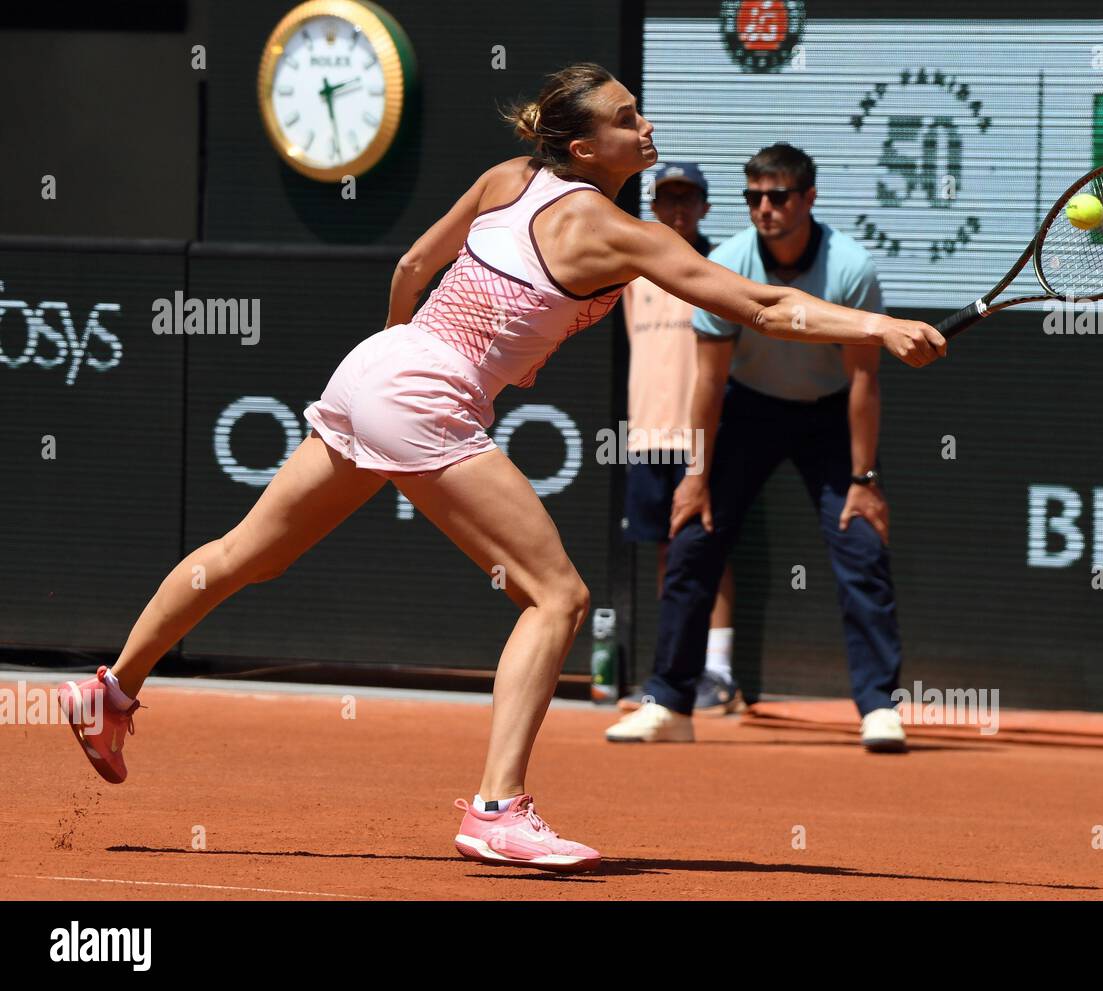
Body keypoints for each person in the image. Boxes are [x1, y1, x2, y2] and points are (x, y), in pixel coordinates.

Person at [56, 65, 946, 875]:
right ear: (585, 147)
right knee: (557, 596)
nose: (647, 128)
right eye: (628, 119)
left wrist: (401, 362)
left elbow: (411, 266)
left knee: (250, 549)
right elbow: (759, 303)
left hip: (375, 365)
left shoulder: (506, 179)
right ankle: (495, 808)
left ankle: (113, 689)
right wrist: (878, 327)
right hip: (422, 392)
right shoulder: (614, 231)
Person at [605, 143, 913, 753]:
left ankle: (879, 707)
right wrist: (696, 472)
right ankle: (670, 703)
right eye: (753, 198)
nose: (764, 209)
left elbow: (863, 380)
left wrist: (863, 476)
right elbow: (710, 381)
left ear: (809, 199)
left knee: (859, 540)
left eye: (778, 197)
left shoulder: (851, 268)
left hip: (826, 413)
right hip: (746, 408)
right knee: (693, 537)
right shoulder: (728, 261)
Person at [620, 161, 744, 715]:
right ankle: (671, 677)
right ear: (652, 205)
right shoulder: (629, 272)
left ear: (705, 207)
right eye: (667, 199)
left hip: (706, 433)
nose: (676, 210)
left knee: (705, 550)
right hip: (647, 431)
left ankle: (717, 674)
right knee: (669, 556)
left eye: (687, 200)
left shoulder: (722, 267)